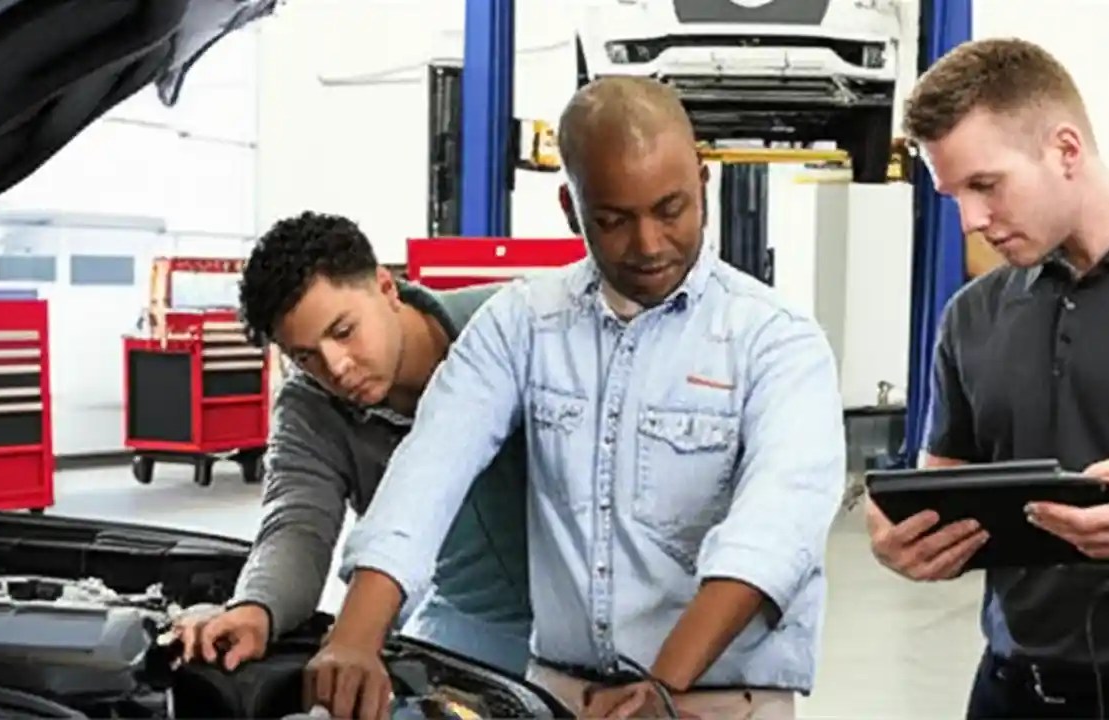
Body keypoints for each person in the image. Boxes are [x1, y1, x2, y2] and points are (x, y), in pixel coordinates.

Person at [301, 76, 846, 720]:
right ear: (570, 207)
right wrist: (354, 638)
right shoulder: (521, 324)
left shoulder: (776, 342)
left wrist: (663, 690)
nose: (647, 244)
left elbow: (772, 533)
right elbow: (430, 469)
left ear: (704, 182)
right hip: (557, 695)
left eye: (670, 209)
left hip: (717, 700)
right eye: (613, 221)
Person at [866, 37, 1109, 718]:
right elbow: (944, 484)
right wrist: (901, 535)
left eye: (986, 185)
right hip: (1010, 695)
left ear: (1066, 150)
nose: (973, 222)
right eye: (954, 195)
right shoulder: (972, 316)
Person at [171, 211, 533, 680]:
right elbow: (298, 522)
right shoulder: (311, 406)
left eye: (343, 332)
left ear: (386, 287)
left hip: (590, 626)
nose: (336, 368)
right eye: (305, 356)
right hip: (461, 623)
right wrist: (257, 607)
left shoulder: (510, 329)